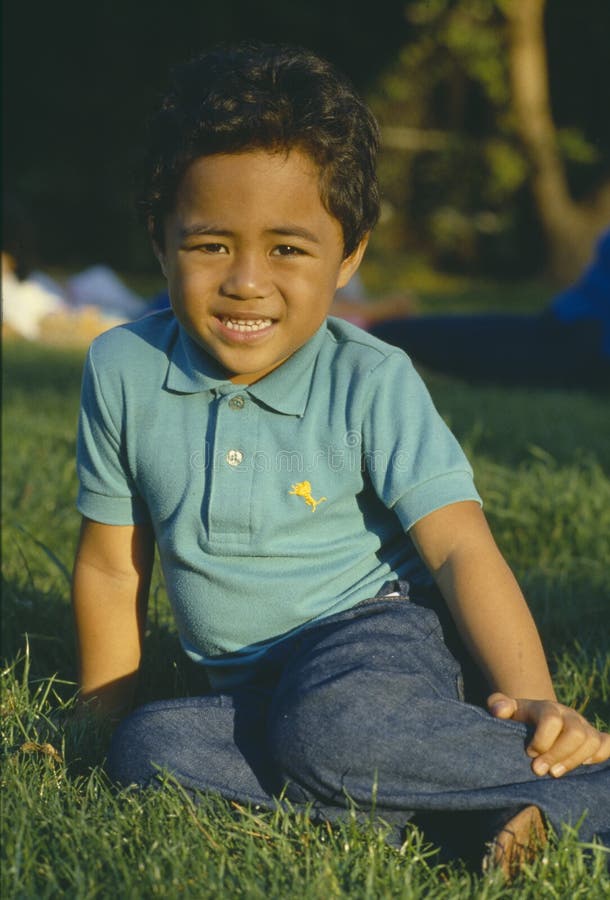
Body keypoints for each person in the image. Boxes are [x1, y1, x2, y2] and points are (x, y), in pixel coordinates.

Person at [72, 42, 610, 875]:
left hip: (378, 636)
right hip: (252, 686)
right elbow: (112, 568)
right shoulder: (122, 370)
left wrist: (531, 697)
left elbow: (461, 547)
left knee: (329, 726)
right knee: (152, 751)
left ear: (349, 254)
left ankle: (583, 784)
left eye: (287, 249)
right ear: (159, 236)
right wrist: (97, 721)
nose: (247, 281)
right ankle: (481, 816)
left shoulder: (370, 377)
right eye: (211, 244)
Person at [369, 229, 610, 388]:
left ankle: (387, 333)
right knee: (496, 347)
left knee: (501, 344)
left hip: (582, 327)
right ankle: (384, 332)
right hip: (585, 332)